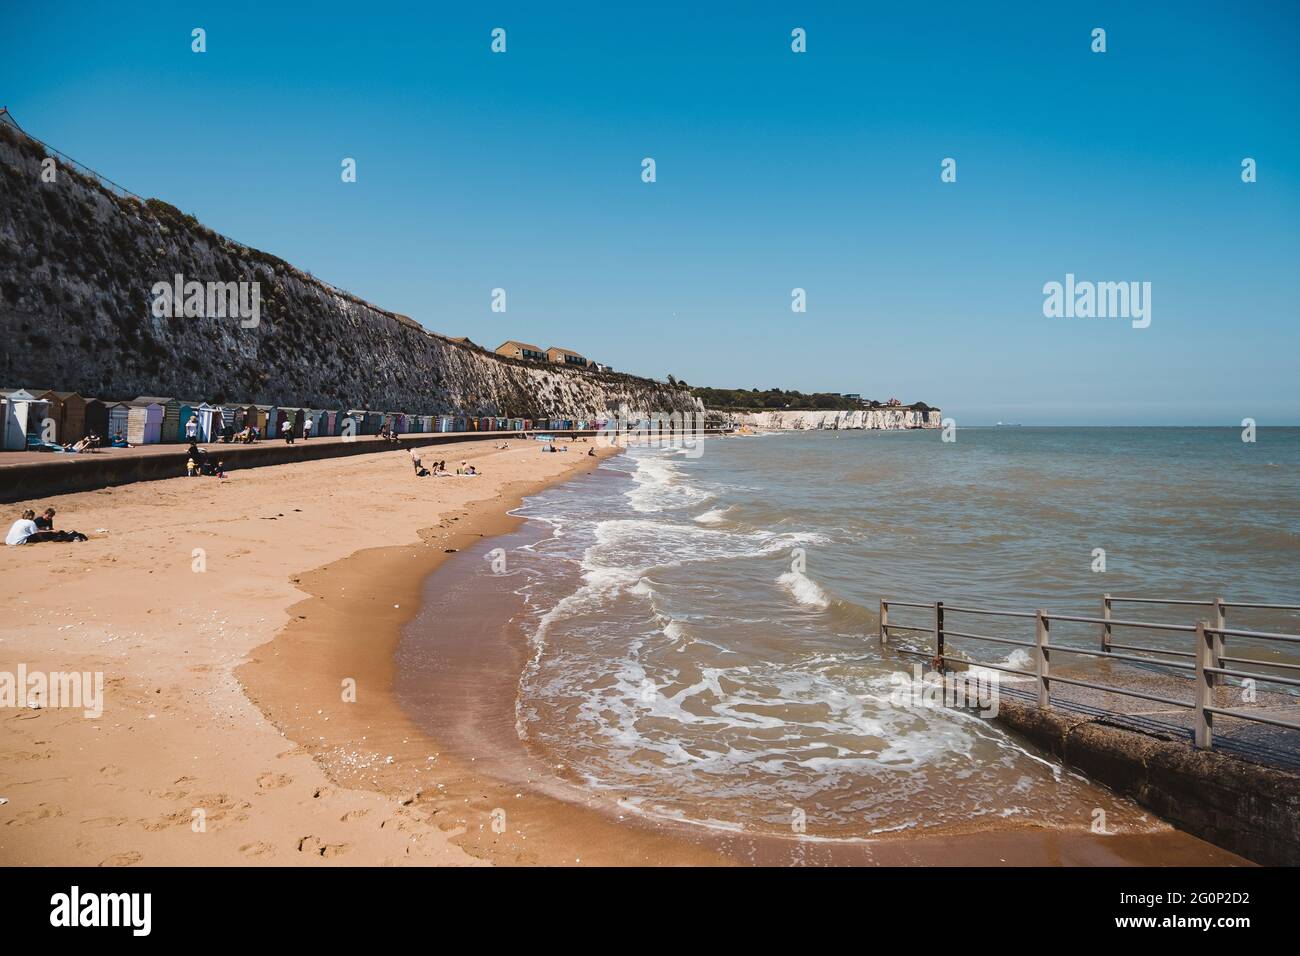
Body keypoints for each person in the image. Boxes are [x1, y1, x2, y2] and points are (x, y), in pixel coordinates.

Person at [6, 509, 86, 545]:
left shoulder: (18, 521)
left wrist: (52, 531)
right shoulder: (33, 522)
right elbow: (37, 532)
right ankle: (72, 537)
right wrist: (50, 532)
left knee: (56, 533)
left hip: (9, 541)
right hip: (19, 541)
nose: (50, 517)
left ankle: (71, 535)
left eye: (51, 516)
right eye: (49, 515)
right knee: (51, 535)